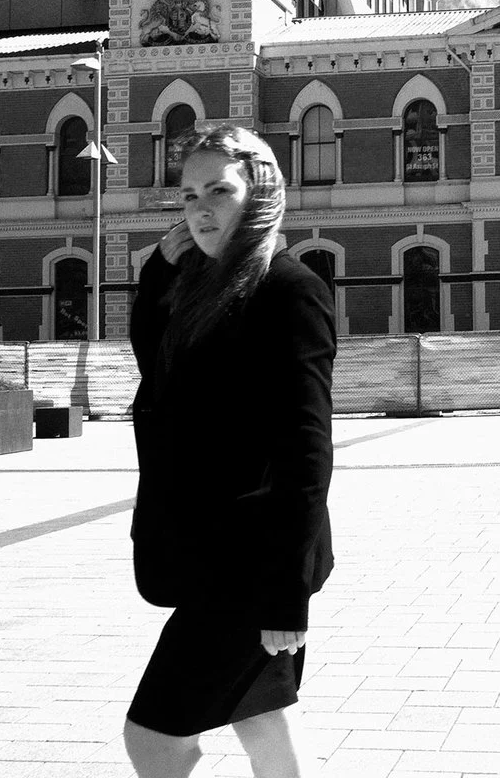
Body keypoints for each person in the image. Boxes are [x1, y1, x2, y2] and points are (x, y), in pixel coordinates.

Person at [123, 124, 336, 778]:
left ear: (260, 192)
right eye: (189, 196)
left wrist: (284, 593)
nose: (201, 208)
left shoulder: (287, 289)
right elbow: (157, 377)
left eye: (220, 189)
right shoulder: (201, 286)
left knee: (153, 739)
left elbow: (306, 448)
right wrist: (160, 268)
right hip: (212, 554)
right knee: (265, 727)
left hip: (253, 566)